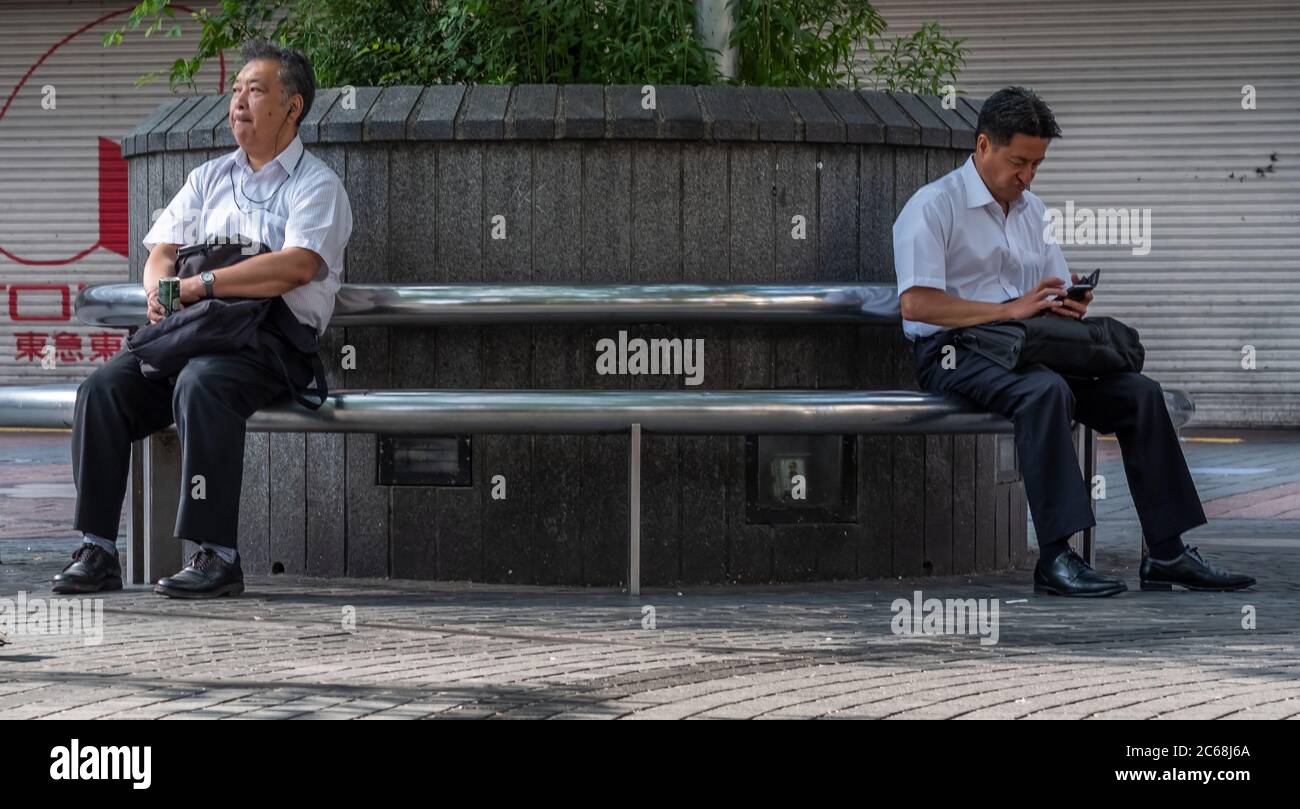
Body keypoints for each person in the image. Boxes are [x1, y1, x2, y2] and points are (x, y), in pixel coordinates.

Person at [893, 86, 1253, 597]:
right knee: (1045, 392)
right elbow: (918, 306)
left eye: (1037, 165)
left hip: (1028, 346)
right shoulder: (932, 208)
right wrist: (1007, 310)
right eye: (1019, 162)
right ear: (982, 147)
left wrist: (1067, 302)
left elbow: (1051, 285)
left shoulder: (1033, 211)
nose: (1027, 176)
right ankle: (1057, 558)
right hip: (953, 351)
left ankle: (1168, 553)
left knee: (1141, 395)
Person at [54, 41, 352, 599]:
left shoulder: (317, 186)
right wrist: (162, 293)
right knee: (102, 389)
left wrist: (204, 284)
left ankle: (217, 555)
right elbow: (161, 252)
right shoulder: (209, 177)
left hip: (268, 343)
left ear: (293, 106)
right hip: (194, 331)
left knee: (202, 383)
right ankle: (97, 549)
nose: (238, 102)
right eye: (236, 90)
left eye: (255, 90)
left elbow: (297, 265)